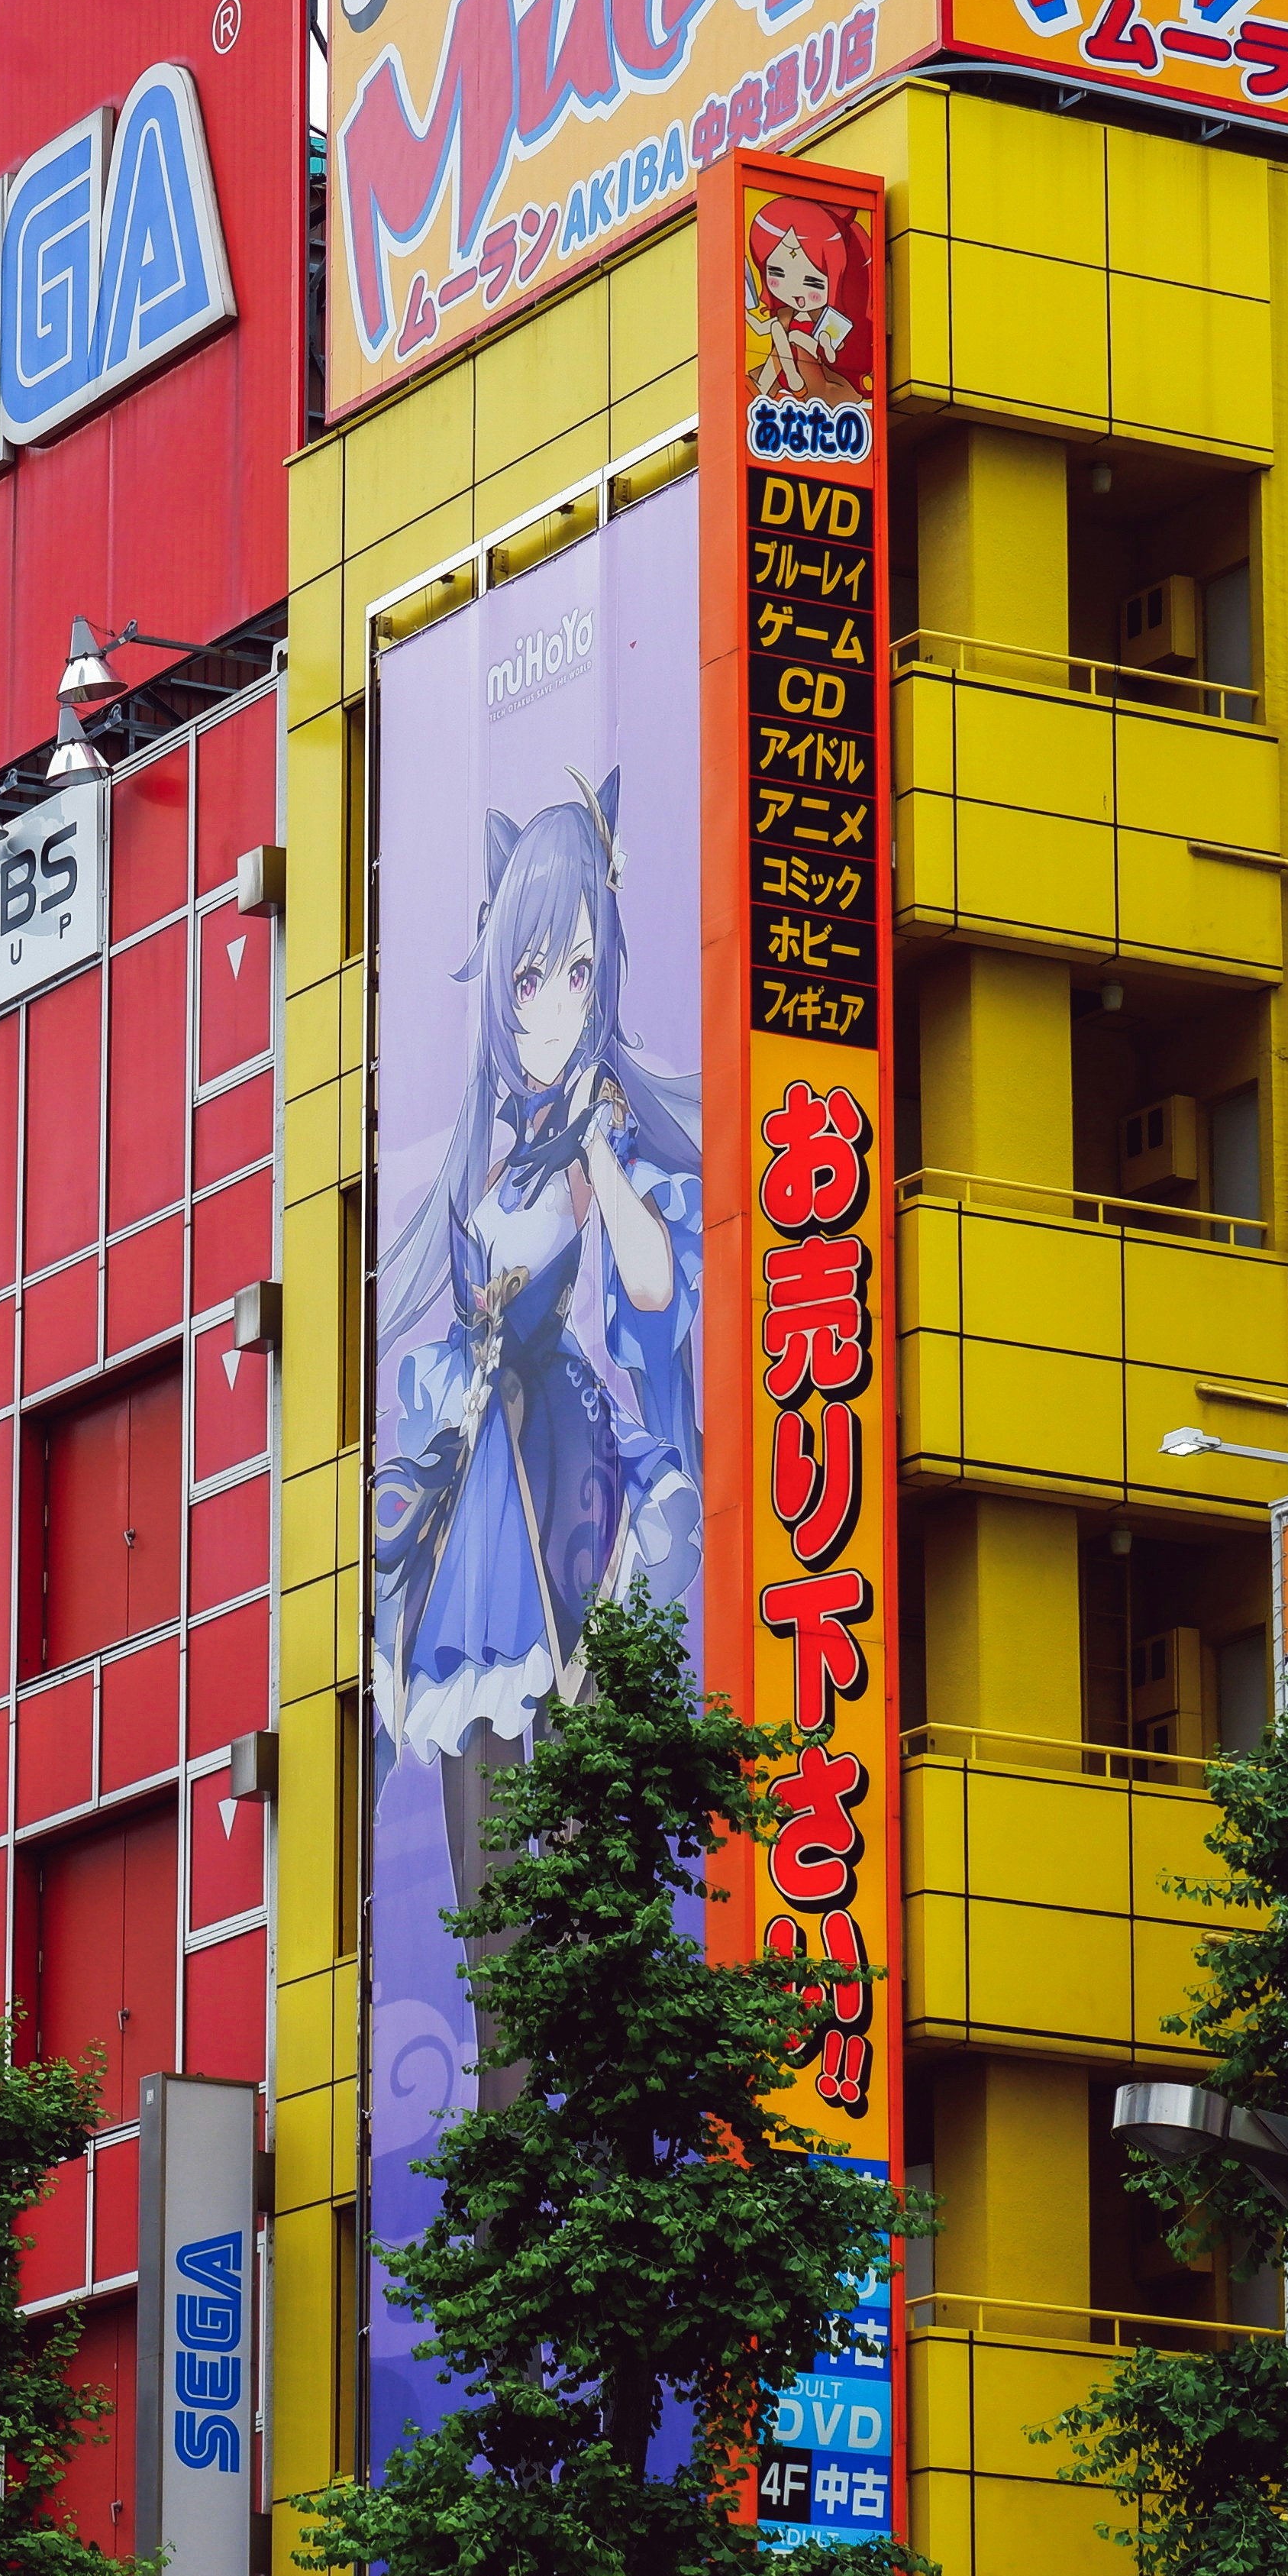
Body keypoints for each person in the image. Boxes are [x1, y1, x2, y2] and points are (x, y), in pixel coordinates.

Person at [371, 776, 704, 1900]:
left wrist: (599, 1149)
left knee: (573, 1778)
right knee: (483, 1832)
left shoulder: (602, 1125)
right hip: (478, 1479)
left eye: (575, 973)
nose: (552, 1008)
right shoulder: (489, 1145)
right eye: (529, 978)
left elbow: (654, 1285)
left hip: (568, 1459)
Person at [746, 192, 875, 408]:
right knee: (780, 330)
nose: (796, 291)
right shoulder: (784, 315)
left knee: (793, 334)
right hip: (789, 373)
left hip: (814, 372)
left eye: (813, 282)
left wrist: (825, 343)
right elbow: (761, 329)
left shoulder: (833, 318)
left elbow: (831, 356)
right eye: (776, 272)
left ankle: (784, 383)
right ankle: (765, 386)